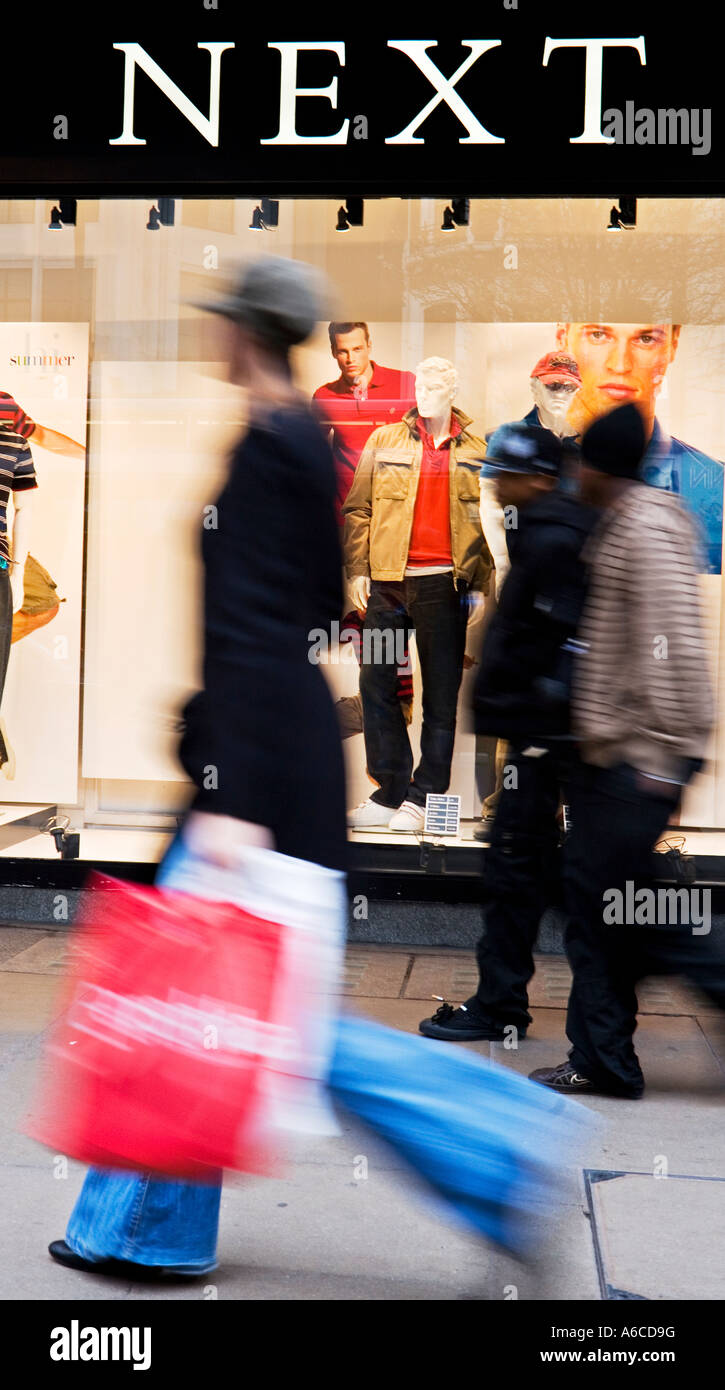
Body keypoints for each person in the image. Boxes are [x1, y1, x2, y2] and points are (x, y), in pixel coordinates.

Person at [48, 255, 350, 1277]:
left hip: (251, 774)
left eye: (223, 322)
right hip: (270, 759)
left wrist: (231, 792)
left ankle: (147, 1233)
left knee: (191, 1008)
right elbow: (313, 610)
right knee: (234, 1008)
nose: (211, 335)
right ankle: (143, 1229)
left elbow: (259, 631)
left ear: (249, 333)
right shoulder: (303, 438)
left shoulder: (272, 449)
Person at [529, 403, 725, 1098]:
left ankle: (604, 1058)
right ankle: (601, 1056)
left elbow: (668, 647)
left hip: (635, 759)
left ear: (595, 466)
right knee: (613, 910)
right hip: (621, 756)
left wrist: (660, 758)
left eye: (579, 458)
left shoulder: (641, 529)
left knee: (627, 917)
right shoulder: (636, 521)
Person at [419, 425, 597, 1042]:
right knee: (532, 876)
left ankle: (502, 1006)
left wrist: (527, 711)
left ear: (539, 477)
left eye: (505, 474)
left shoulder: (552, 535)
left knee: (519, 874)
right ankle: (504, 1004)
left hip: (543, 739)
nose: (494, 484)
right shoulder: (549, 528)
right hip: (543, 737)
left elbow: (550, 641)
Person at [343, 357, 492, 832]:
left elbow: (489, 528)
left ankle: (424, 797)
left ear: (452, 391)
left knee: (441, 695)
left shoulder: (477, 450)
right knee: (377, 681)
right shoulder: (384, 440)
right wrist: (358, 568)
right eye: (421, 386)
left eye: (436, 387)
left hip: (444, 586)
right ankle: (389, 790)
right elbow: (358, 509)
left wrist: (483, 586)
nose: (425, 394)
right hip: (389, 584)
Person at [475, 352, 583, 841]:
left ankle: (550, 816)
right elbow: (493, 518)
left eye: (567, 386)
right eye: (552, 384)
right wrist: (502, 568)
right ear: (534, 386)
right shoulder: (514, 441)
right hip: (517, 579)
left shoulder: (582, 451)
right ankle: (508, 806)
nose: (560, 393)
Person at [312, 323, 416, 739]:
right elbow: (314, 463)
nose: (350, 358)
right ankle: (382, 701)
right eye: (342, 351)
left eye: (357, 348)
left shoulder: (403, 386)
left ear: (370, 346)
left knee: (386, 616)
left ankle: (384, 702)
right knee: (362, 615)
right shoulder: (325, 397)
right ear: (333, 352)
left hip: (392, 525)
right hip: (346, 527)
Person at [557, 321, 724, 573]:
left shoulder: (714, 485)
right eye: (598, 335)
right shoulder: (532, 469)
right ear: (563, 338)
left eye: (645, 339)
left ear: (673, 344)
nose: (621, 365)